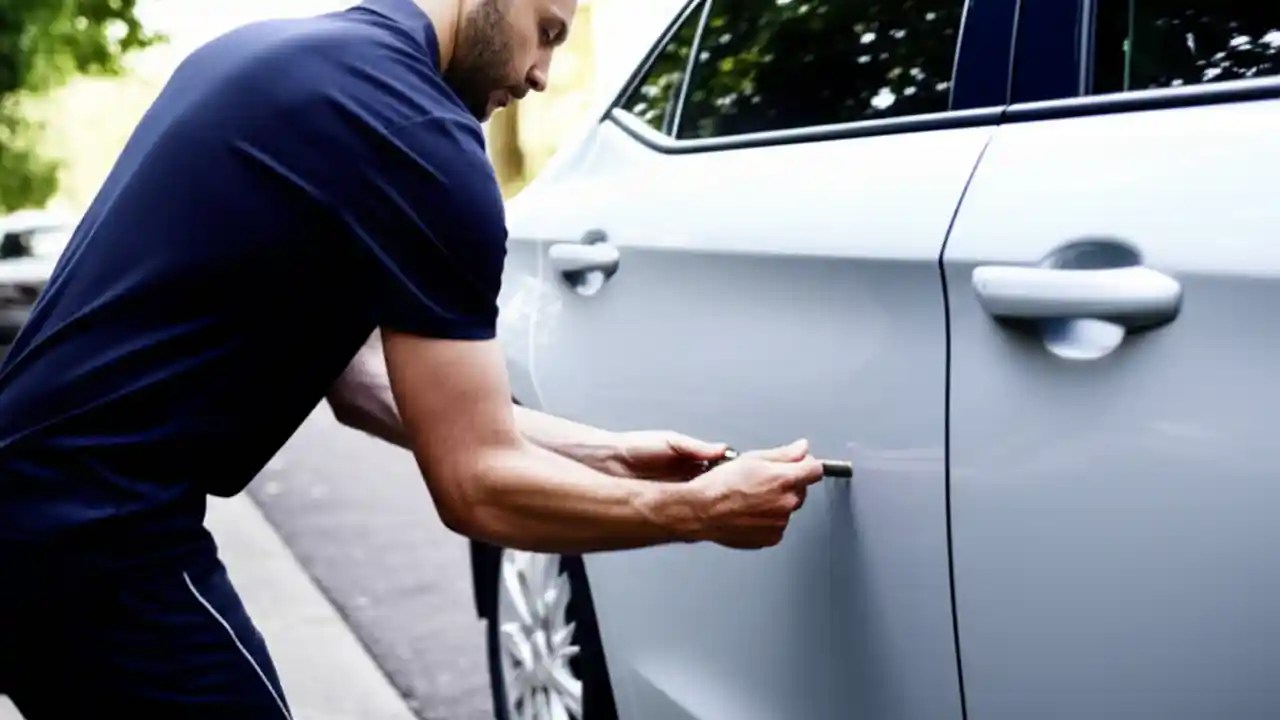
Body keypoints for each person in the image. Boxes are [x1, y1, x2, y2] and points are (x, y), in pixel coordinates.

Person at [0, 0, 824, 716]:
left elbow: (360, 385)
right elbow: (475, 488)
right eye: (547, 32)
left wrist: (608, 452)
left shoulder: (279, 64)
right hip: (98, 535)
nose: (541, 74)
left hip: (32, 503)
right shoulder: (419, 137)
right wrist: (701, 515)